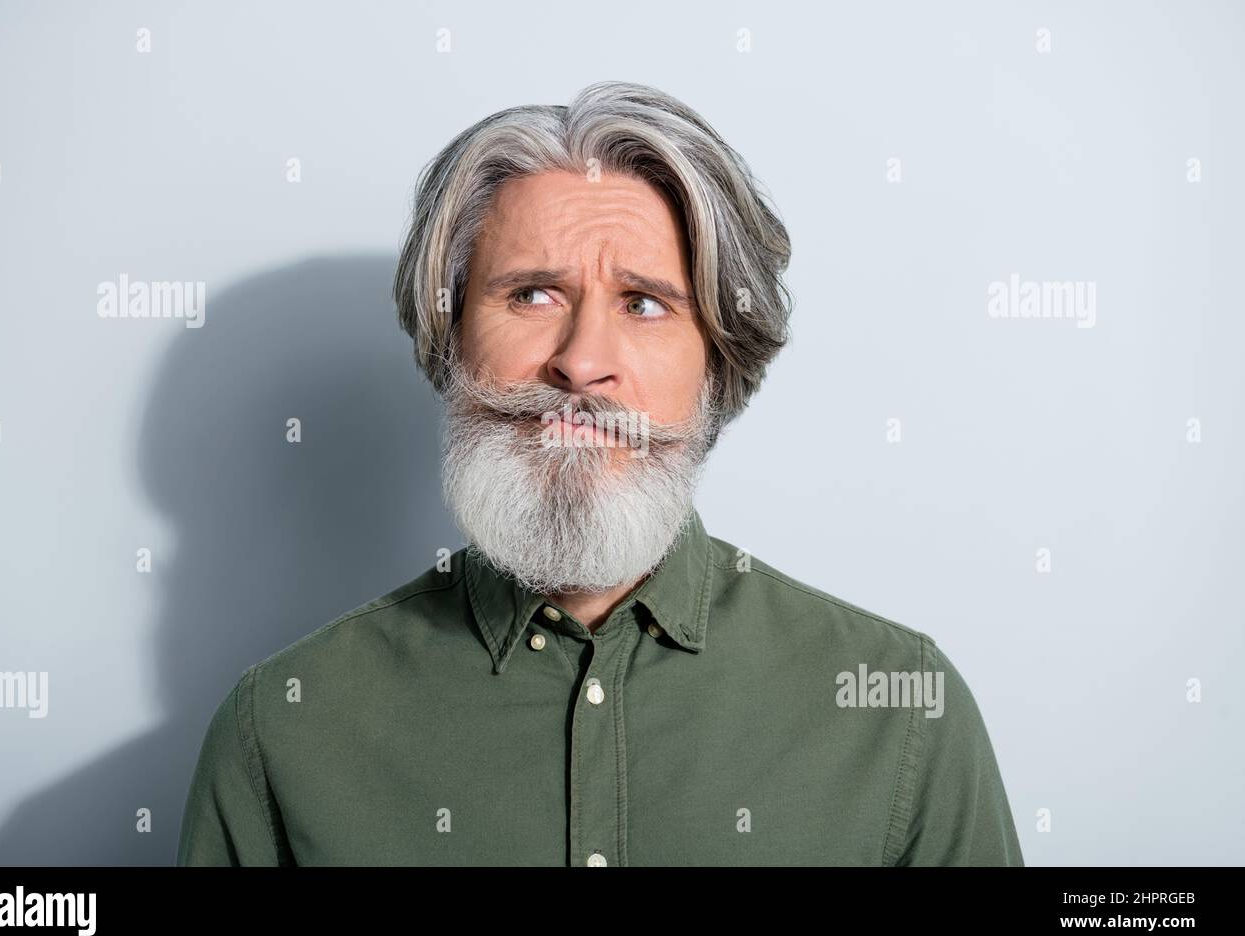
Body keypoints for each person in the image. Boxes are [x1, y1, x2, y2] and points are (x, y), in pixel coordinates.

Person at [177, 81, 1023, 866]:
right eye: (532, 294)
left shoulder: (901, 713)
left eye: (645, 302)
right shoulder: (281, 730)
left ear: (717, 364)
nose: (582, 363)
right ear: (451, 343)